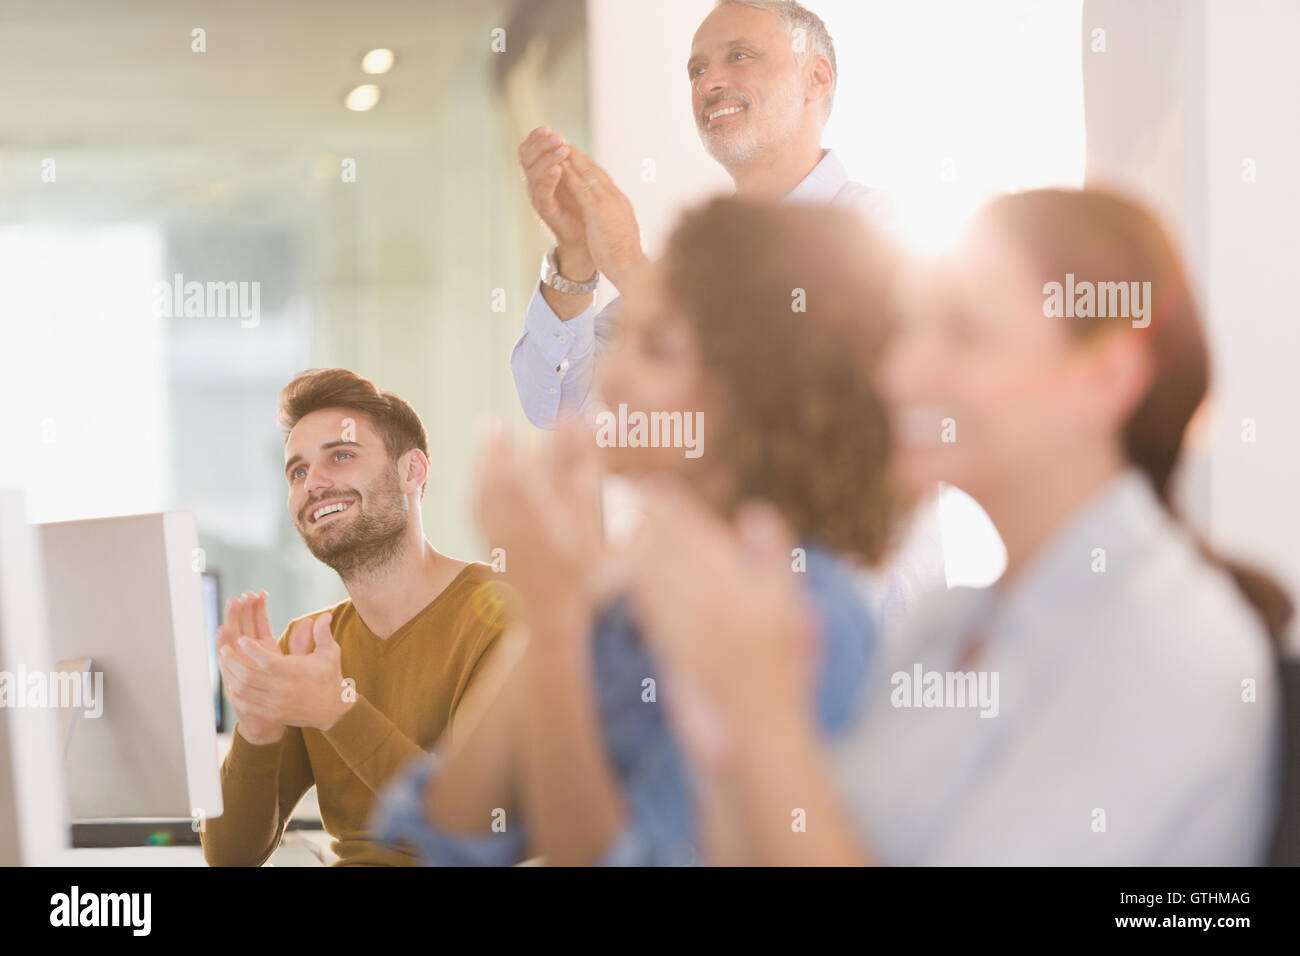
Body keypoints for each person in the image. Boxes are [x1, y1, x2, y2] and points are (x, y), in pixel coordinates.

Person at [625, 187, 1291, 865]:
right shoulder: (945, 619)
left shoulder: (1169, 647)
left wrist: (765, 720)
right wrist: (731, 749)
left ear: (1106, 377)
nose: (899, 374)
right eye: (909, 329)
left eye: (964, 332)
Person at [372, 198, 904, 865]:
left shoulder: (810, 618)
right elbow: (442, 832)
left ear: (756, 388)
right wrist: (550, 613)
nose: (611, 377)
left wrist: (558, 622)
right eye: (620, 341)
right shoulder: (630, 588)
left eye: (655, 349)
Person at [511, 0, 892, 429]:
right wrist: (577, 255)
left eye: (740, 56)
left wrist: (628, 263)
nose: (709, 82)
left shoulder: (880, 230)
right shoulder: (689, 268)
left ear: (815, 78)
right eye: (697, 70)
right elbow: (556, 405)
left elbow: (792, 390)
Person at [201, 369, 507, 866]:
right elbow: (231, 858)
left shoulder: (498, 615)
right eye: (297, 472)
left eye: (340, 456)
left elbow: (475, 826)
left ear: (412, 471)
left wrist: (337, 711)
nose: (314, 484)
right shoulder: (308, 646)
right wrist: (256, 730)